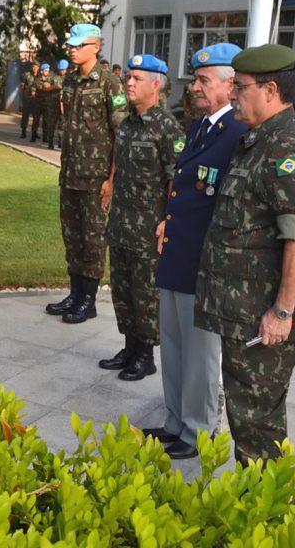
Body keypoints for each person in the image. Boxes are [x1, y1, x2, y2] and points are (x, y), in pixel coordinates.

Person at [194, 44, 295, 465]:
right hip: (244, 310)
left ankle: (262, 521)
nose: (233, 95)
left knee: (257, 428)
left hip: (263, 316)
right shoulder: (260, 140)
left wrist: (283, 312)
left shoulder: (285, 148)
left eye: (242, 87)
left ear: (270, 90)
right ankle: (255, 513)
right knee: (247, 420)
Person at [141, 43, 246, 459]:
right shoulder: (202, 126)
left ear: (230, 85)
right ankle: (175, 421)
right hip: (178, 253)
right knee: (174, 344)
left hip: (204, 262)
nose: (194, 87)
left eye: (203, 81)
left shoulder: (237, 133)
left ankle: (198, 431)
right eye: (195, 79)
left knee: (201, 353)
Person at [101, 54, 182, 381]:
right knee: (122, 290)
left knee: (145, 294)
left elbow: (177, 177)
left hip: (148, 229)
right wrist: (108, 183)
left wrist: (169, 220)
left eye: (136, 79)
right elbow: (118, 164)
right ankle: (130, 346)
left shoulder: (167, 128)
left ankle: (146, 355)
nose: (129, 83)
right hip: (121, 223)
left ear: (156, 84)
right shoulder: (127, 125)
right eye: (129, 77)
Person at [46, 24, 127, 324]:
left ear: (95, 46)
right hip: (69, 173)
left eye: (79, 45)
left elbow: (120, 134)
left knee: (93, 238)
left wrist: (111, 180)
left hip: (96, 178)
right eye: (71, 44)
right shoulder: (70, 80)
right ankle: (75, 293)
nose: (72, 49)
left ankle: (88, 300)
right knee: (72, 234)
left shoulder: (110, 83)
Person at [41, 61, 65, 149]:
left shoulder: (69, 77)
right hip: (52, 104)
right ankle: (50, 142)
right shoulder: (51, 76)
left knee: (62, 123)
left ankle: (60, 142)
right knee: (51, 123)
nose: (62, 71)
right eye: (61, 69)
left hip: (64, 104)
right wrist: (54, 87)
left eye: (64, 70)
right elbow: (45, 87)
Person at [31, 63, 51, 143]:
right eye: (46, 71)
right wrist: (33, 92)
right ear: (42, 71)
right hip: (38, 103)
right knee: (36, 120)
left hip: (47, 103)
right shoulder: (37, 80)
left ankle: (45, 137)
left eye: (48, 71)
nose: (47, 72)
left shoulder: (50, 80)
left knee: (46, 121)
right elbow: (33, 89)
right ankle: (33, 135)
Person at [20, 62, 39, 139]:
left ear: (38, 67)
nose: (34, 68)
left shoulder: (40, 76)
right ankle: (23, 131)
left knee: (36, 116)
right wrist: (24, 94)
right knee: (25, 115)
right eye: (33, 67)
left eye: (36, 67)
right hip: (27, 98)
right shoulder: (26, 74)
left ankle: (35, 132)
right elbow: (22, 85)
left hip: (37, 99)